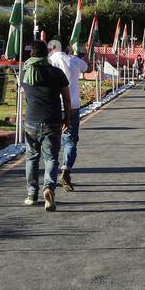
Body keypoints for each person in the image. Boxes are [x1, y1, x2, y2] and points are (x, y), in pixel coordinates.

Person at [19, 40, 73, 211]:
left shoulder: (25, 74)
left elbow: (27, 96)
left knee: (32, 158)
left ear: (31, 54)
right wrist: (68, 118)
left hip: (32, 121)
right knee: (51, 158)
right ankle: (49, 188)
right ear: (47, 53)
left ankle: (31, 194)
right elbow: (66, 98)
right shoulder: (56, 73)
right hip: (53, 121)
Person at [47, 39, 89, 193]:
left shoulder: (48, 61)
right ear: (65, 48)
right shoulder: (73, 60)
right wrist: (80, 55)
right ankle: (65, 170)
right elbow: (87, 68)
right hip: (72, 107)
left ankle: (49, 179)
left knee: (51, 142)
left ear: (51, 48)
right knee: (70, 140)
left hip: (53, 106)